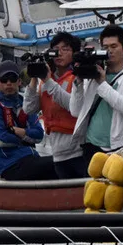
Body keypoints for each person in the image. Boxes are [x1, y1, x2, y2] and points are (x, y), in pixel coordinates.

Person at [69, 24, 123, 161]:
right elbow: (75, 111)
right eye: (105, 47)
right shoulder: (92, 76)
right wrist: (79, 81)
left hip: (121, 146)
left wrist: (102, 82)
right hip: (91, 146)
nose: (109, 51)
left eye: (114, 46)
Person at [0, 60, 57, 181]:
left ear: (19, 81)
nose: (9, 83)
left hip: (29, 157)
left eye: (13, 78)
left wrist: (20, 132)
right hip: (7, 164)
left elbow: (39, 135)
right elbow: (2, 140)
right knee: (57, 164)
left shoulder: (24, 105)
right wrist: (26, 135)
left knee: (62, 163)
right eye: (4, 79)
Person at [24, 31, 86, 178]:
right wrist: (34, 77)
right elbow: (29, 108)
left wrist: (47, 80)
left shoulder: (78, 78)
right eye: (56, 49)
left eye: (65, 49)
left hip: (78, 150)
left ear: (75, 53)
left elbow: (73, 107)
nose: (59, 53)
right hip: (58, 153)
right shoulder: (47, 78)